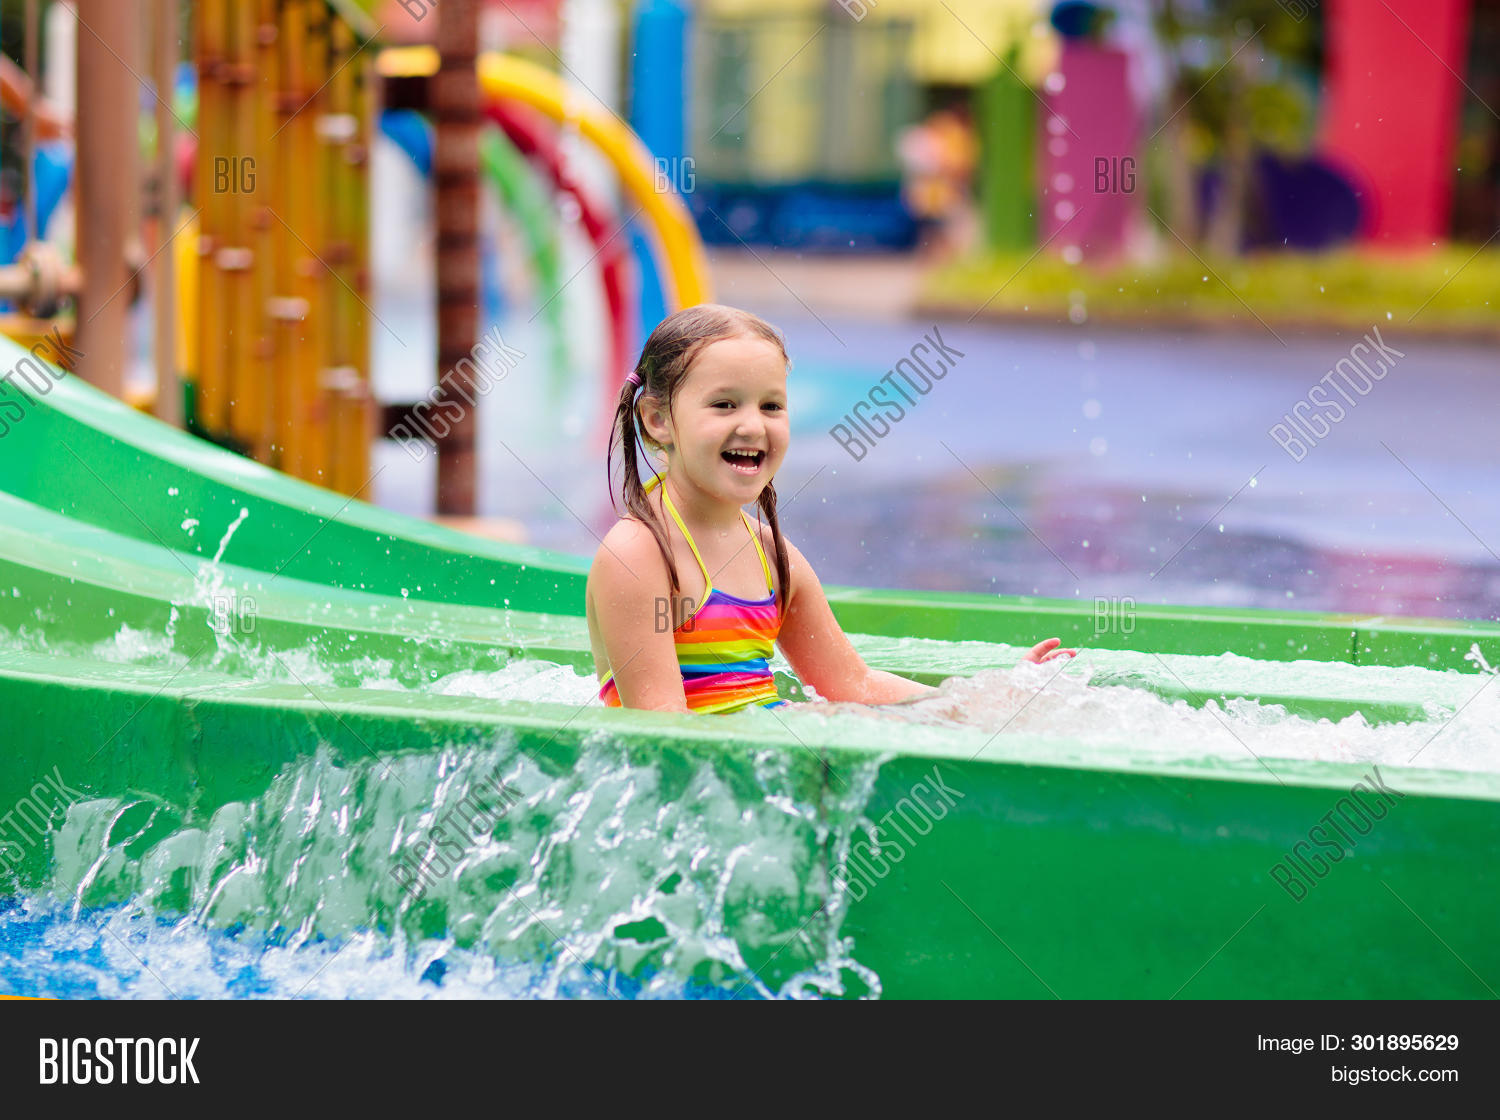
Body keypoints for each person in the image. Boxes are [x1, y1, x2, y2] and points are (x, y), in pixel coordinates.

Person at [586, 304, 1073, 714]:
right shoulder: (640, 556)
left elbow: (854, 686)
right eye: (725, 405)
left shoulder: (772, 556)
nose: (753, 426)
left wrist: (985, 703)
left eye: (771, 406)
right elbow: (660, 735)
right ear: (656, 419)